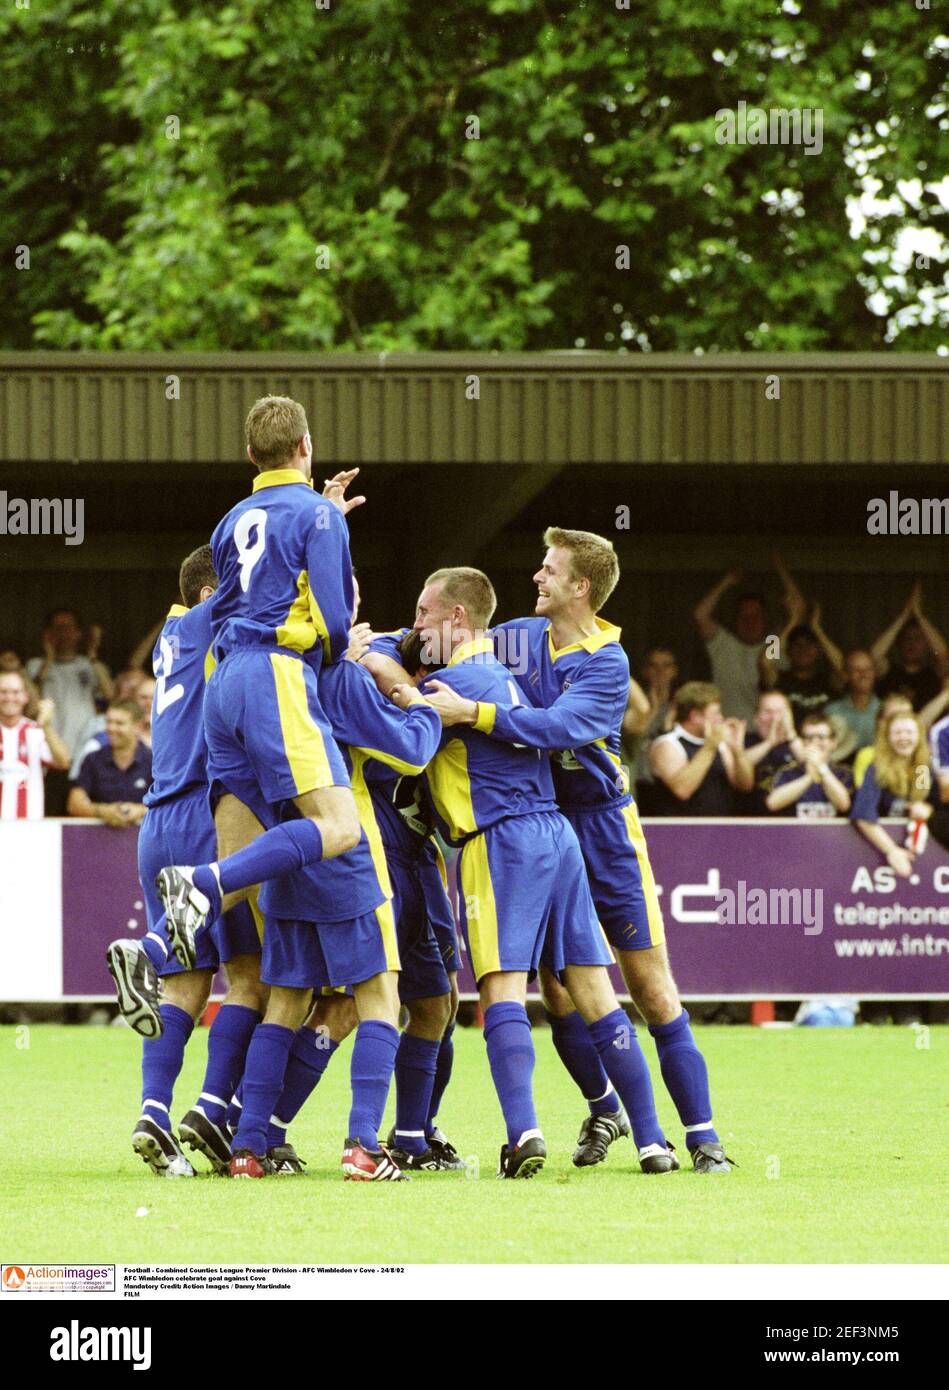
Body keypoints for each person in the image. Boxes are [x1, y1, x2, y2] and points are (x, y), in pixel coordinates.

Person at [424, 531, 733, 1173]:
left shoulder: (607, 661)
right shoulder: (518, 636)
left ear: (580, 587)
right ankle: (608, 1112)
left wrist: (472, 713)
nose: (536, 576)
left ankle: (704, 1140)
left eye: (549, 569)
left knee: (648, 984)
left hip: (604, 829)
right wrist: (378, 649)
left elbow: (562, 726)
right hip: (543, 823)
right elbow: (446, 634)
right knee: (560, 988)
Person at [157, 396, 364, 968]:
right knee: (339, 826)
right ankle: (200, 881)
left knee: (242, 863)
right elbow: (336, 619)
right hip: (275, 674)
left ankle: (151, 943)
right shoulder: (318, 516)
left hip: (225, 683)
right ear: (307, 447)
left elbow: (232, 601)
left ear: (251, 455)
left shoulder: (227, 524)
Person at [105, 546, 265, 1179]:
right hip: (207, 815)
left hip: (158, 818)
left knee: (189, 985)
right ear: (210, 594)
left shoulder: (178, 633)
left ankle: (154, 1111)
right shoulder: (207, 622)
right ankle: (210, 1106)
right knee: (250, 976)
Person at [850, 709, 935, 878]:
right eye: (897, 732)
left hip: (922, 856)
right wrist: (892, 851)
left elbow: (928, 803)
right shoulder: (876, 770)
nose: (903, 738)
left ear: (919, 736)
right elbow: (863, 815)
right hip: (875, 856)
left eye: (909, 732)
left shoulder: (922, 769)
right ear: (887, 737)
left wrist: (928, 810)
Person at [650, 681, 753, 816]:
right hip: (679, 830)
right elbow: (682, 790)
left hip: (721, 828)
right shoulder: (667, 744)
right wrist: (709, 747)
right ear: (695, 717)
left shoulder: (720, 744)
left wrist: (738, 751)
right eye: (715, 713)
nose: (721, 718)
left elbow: (745, 785)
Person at [26, 609, 114, 756]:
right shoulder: (35, 665)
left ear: (78, 632)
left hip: (84, 745)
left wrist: (93, 656)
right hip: (48, 745)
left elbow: (111, 695)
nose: (63, 633)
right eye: (57, 628)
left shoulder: (89, 665)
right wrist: (49, 657)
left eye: (68, 627)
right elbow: (32, 699)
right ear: (47, 633)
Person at [693, 571, 771, 724]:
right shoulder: (724, 644)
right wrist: (727, 581)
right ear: (736, 619)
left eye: (755, 616)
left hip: (764, 734)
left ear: (765, 618)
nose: (750, 622)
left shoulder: (772, 643)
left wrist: (781, 568)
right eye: (744, 616)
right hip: (727, 730)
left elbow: (798, 611)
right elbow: (700, 615)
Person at [66, 697, 151, 827]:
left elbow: (170, 804)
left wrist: (140, 811)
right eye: (109, 722)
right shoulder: (93, 759)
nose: (111, 728)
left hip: (144, 842)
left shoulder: (154, 761)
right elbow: (74, 803)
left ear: (137, 726)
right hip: (99, 842)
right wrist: (103, 811)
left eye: (119, 723)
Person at [0, 671, 70, 820]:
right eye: (3, 692)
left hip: (30, 827)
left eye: (15, 692)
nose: (9, 697)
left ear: (26, 696)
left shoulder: (36, 731)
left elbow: (63, 762)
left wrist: (47, 725)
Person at [871, 581, 946, 710]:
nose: (911, 644)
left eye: (918, 639)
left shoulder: (933, 673)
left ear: (927, 645)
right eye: (907, 639)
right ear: (898, 643)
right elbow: (873, 657)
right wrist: (904, 615)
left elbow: (943, 654)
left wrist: (919, 615)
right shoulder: (889, 672)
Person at [765, 713, 853, 818]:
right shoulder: (787, 772)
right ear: (802, 742)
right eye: (809, 737)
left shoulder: (844, 773)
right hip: (794, 833)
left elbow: (843, 805)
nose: (815, 742)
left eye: (821, 737)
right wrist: (809, 777)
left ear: (833, 743)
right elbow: (772, 804)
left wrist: (821, 768)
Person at [624, 646, 678, 814]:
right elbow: (633, 736)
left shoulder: (682, 707)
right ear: (645, 671)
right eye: (654, 666)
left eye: (666, 665)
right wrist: (653, 709)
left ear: (674, 670)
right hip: (640, 785)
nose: (659, 671)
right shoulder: (632, 706)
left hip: (671, 786)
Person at [738, 690, 801, 814]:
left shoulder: (799, 742)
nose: (774, 718)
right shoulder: (745, 742)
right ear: (756, 718)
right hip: (752, 821)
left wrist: (791, 735)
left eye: (780, 712)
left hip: (795, 823)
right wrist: (770, 743)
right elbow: (739, 764)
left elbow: (812, 765)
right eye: (767, 712)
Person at [767, 623, 840, 729]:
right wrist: (791, 623)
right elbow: (765, 662)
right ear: (788, 651)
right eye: (797, 645)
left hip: (821, 741)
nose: (803, 650)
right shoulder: (781, 679)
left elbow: (844, 668)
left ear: (819, 651)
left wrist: (817, 629)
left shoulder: (828, 680)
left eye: (809, 645)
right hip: (785, 742)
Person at [824, 649, 882, 763]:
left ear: (875, 673)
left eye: (868, 669)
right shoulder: (832, 711)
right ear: (845, 675)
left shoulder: (885, 710)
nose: (863, 674)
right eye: (857, 670)